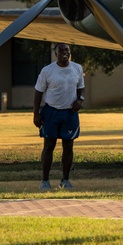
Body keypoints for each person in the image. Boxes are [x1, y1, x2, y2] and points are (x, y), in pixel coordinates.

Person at [33, 43, 85, 190]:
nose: (64, 53)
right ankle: (45, 181)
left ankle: (65, 180)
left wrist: (80, 99)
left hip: (70, 113)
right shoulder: (47, 71)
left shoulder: (77, 68)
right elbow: (38, 92)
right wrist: (36, 113)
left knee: (68, 145)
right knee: (49, 145)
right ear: (55, 54)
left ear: (70, 53)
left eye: (67, 50)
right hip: (51, 112)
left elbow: (81, 87)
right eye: (61, 51)